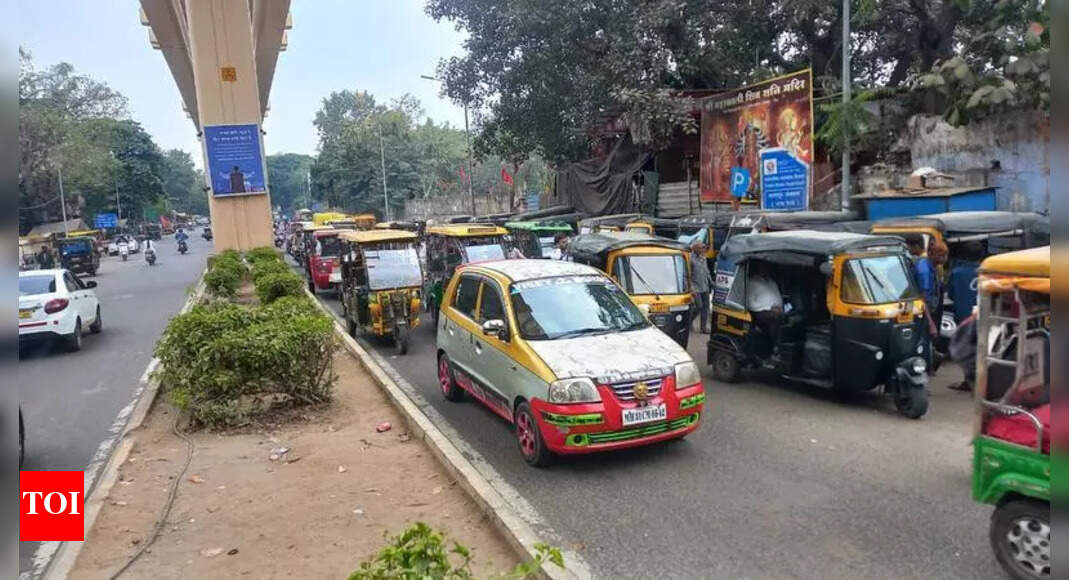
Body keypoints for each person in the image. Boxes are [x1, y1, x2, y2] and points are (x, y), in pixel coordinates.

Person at [747, 261, 783, 353]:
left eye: (767, 268)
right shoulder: (752, 282)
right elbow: (750, 303)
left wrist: (779, 307)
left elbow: (778, 296)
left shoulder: (771, 282)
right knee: (774, 318)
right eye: (763, 268)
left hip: (777, 310)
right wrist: (769, 308)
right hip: (760, 312)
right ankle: (775, 347)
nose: (766, 270)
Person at [948, 241, 982, 323]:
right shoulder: (987, 273)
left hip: (961, 317)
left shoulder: (956, 273)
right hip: (983, 316)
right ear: (982, 255)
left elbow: (951, 295)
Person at [690, 242, 712, 334]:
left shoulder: (703, 258)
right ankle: (689, 321)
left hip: (705, 286)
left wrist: (711, 282)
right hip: (696, 287)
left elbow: (706, 271)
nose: (703, 250)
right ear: (695, 249)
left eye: (703, 248)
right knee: (699, 306)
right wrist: (691, 288)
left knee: (706, 307)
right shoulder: (691, 259)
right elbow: (688, 275)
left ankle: (703, 328)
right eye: (701, 248)